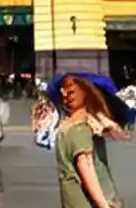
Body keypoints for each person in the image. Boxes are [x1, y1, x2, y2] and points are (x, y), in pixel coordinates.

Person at [52, 73, 128, 208]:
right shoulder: (80, 129)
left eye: (70, 90)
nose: (65, 94)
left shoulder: (66, 126)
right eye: (64, 90)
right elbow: (86, 167)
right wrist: (104, 205)